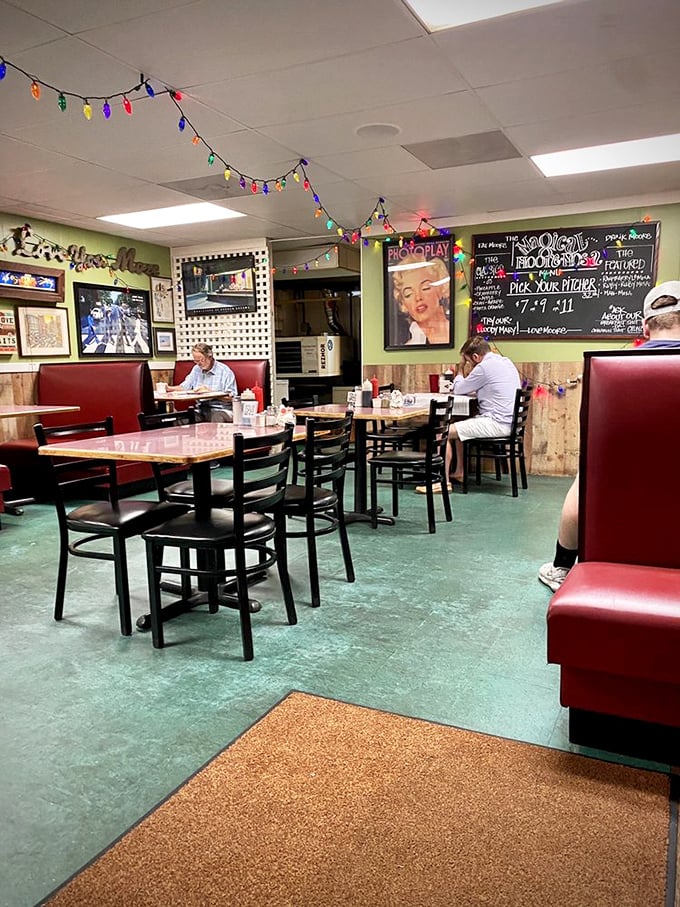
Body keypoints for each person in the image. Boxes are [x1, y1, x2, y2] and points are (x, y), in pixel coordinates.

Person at [538, 279, 680, 592]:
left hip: (619, 476)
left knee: (586, 478)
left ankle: (562, 567)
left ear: (645, 328)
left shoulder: (614, 368)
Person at [418, 336, 520, 493]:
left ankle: (441, 482)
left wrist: (460, 369)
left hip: (497, 423)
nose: (469, 365)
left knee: (441, 432)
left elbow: (459, 389)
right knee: (460, 425)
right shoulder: (505, 361)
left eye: (468, 361)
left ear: (475, 357)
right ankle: (460, 472)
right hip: (509, 422)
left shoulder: (483, 367)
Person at [166, 342, 237, 423]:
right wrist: (168, 388)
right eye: (196, 361)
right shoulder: (196, 369)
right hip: (201, 409)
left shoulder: (225, 371)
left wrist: (210, 393)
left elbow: (232, 398)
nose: (199, 363)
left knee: (216, 417)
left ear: (210, 356)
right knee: (181, 420)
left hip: (221, 409)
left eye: (201, 360)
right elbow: (184, 387)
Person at [392, 255, 450, 345]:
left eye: (425, 288)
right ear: (403, 304)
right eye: (409, 294)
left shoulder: (461, 331)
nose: (418, 297)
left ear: (442, 288)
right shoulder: (408, 350)